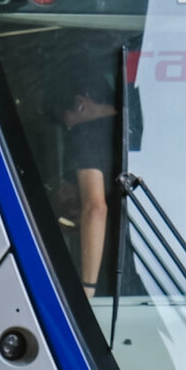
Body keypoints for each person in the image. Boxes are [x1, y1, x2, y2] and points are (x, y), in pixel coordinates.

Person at [58, 68, 119, 296]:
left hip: (104, 270)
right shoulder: (132, 127)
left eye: (67, 122)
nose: (68, 128)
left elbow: (95, 208)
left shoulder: (86, 134)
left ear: (79, 104)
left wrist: (88, 286)